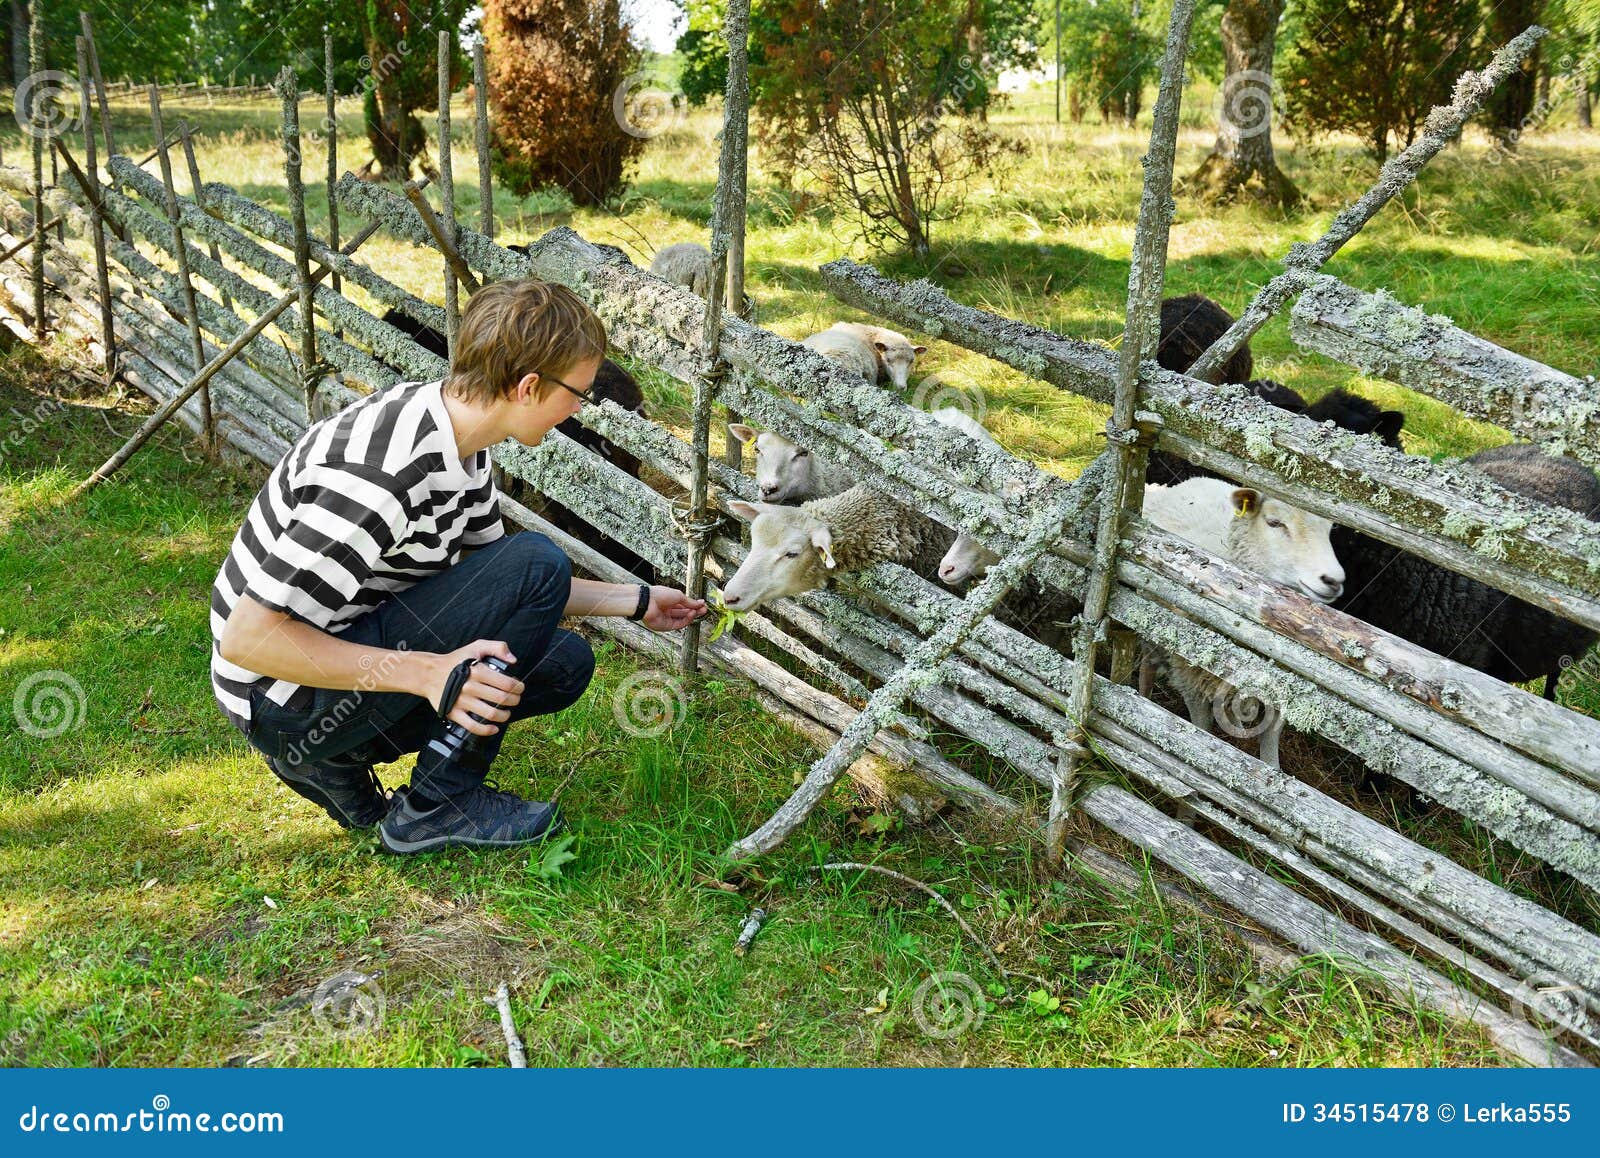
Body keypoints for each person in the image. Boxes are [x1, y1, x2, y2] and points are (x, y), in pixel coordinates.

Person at [209, 280, 705, 854]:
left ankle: (337, 755)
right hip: (280, 696)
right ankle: (434, 805)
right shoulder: (384, 475)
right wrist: (427, 674)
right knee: (537, 560)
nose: (580, 409)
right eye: (580, 393)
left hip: (337, 657)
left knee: (563, 663)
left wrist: (638, 602)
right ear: (528, 386)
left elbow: (504, 584)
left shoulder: (459, 436)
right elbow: (249, 640)